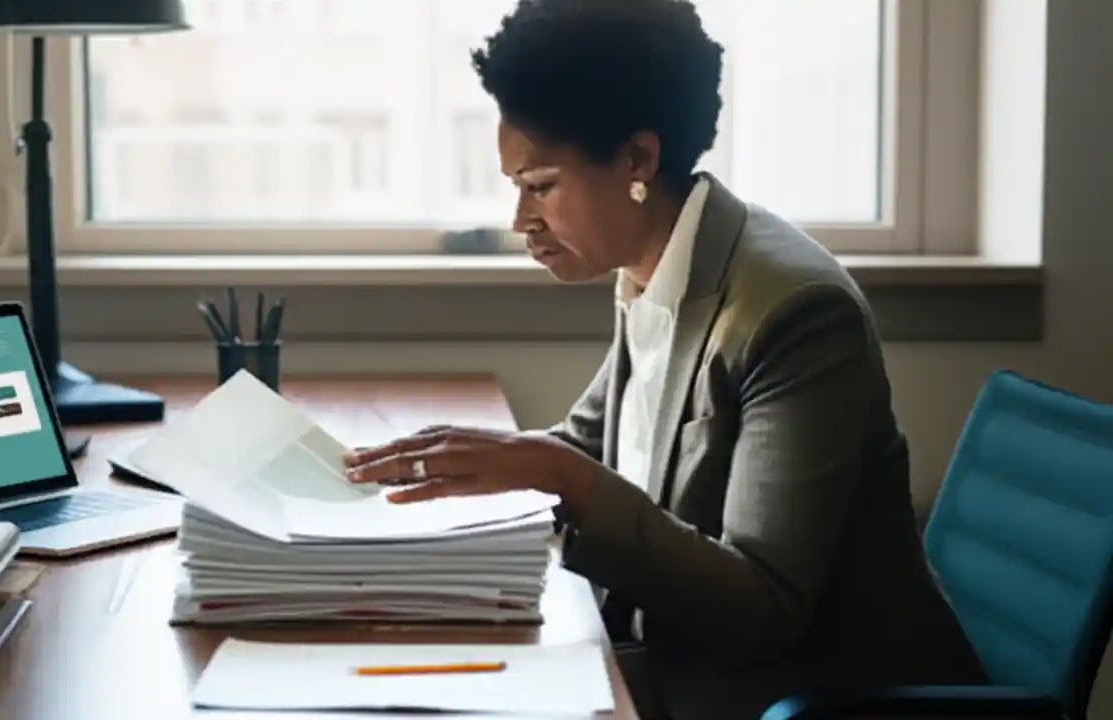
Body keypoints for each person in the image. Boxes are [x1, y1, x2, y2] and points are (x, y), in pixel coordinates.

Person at [344, 0, 986, 717]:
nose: (521, 220)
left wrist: (559, 476)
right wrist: (414, 479)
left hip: (799, 691)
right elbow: (583, 445)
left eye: (540, 186)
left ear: (638, 159)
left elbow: (763, 607)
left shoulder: (796, 313)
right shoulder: (661, 263)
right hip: (675, 664)